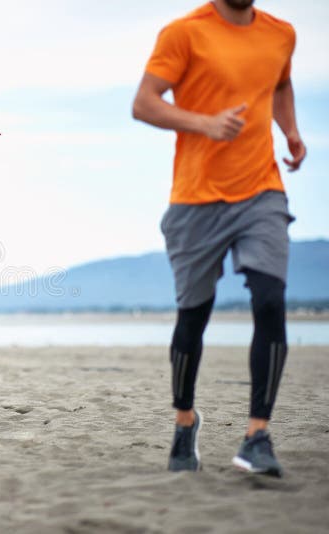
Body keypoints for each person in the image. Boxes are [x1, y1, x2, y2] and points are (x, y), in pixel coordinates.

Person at [132, 0, 306, 476]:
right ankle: (185, 421)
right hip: (196, 198)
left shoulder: (281, 34)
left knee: (270, 300)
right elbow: (144, 103)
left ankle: (257, 435)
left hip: (262, 191)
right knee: (194, 317)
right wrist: (204, 123)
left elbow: (282, 83)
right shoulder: (185, 33)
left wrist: (290, 131)